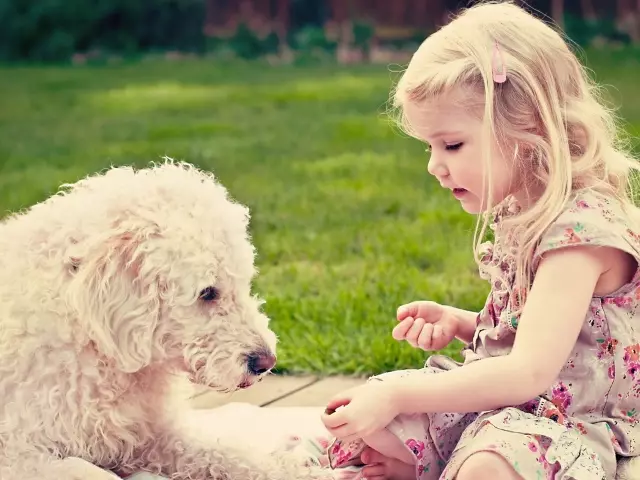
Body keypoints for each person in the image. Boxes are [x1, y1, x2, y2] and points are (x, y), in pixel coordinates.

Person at [319, 1, 640, 479]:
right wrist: (463, 323)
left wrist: (401, 396)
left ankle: (447, 464)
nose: (434, 165)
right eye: (430, 147)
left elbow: (529, 371)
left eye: (451, 144)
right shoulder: (524, 211)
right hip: (513, 406)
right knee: (358, 416)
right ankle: (435, 459)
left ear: (527, 127)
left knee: (486, 460)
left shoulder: (580, 236)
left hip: (570, 424)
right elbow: (548, 335)